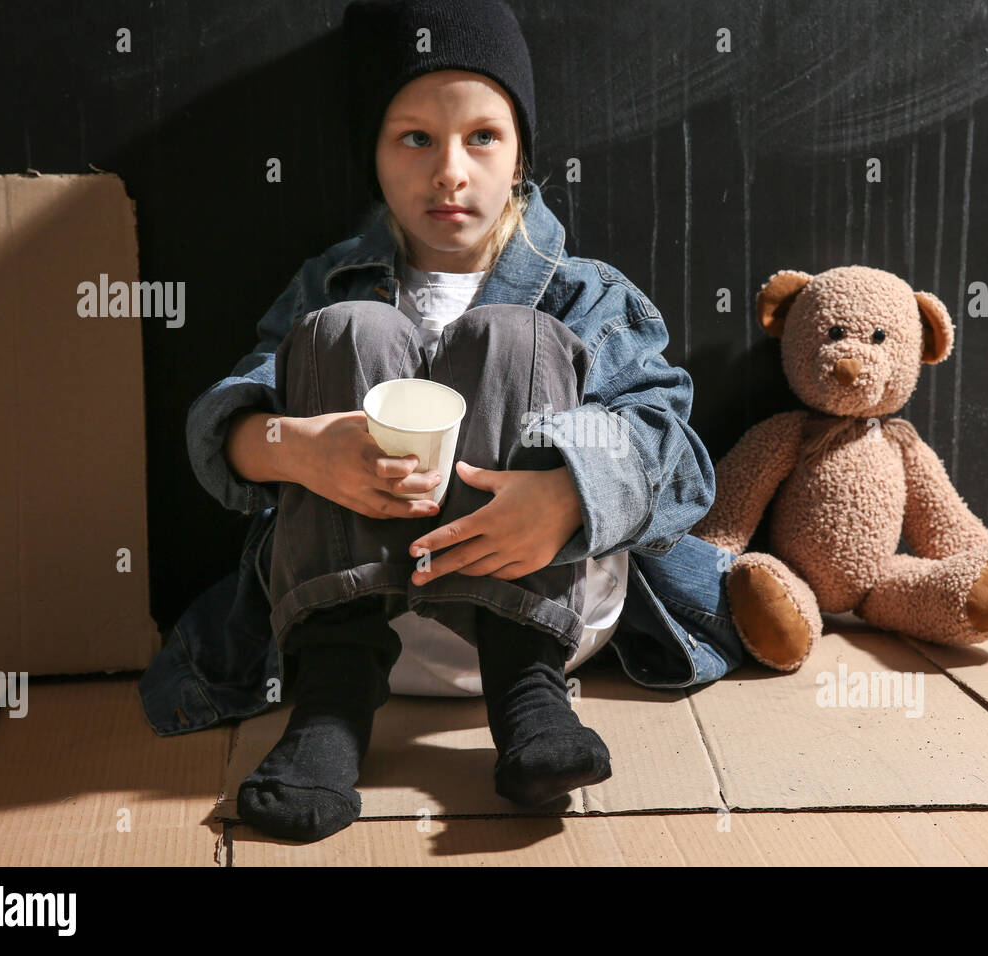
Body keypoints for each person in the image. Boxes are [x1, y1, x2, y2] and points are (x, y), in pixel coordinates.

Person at [146, 0, 748, 844]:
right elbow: (229, 420)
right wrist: (299, 451)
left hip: (542, 621)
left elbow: (677, 457)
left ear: (521, 153)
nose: (450, 171)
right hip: (361, 617)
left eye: (482, 138)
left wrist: (567, 498)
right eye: (415, 138)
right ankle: (329, 716)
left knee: (512, 336)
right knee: (347, 333)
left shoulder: (584, 292)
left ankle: (528, 704)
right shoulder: (331, 285)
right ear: (375, 154)